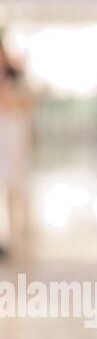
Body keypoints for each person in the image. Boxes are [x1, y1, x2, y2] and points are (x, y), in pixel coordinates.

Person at [0, 33, 34, 263]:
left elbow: (26, 103)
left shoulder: (15, 76)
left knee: (13, 188)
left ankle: (11, 237)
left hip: (11, 137)